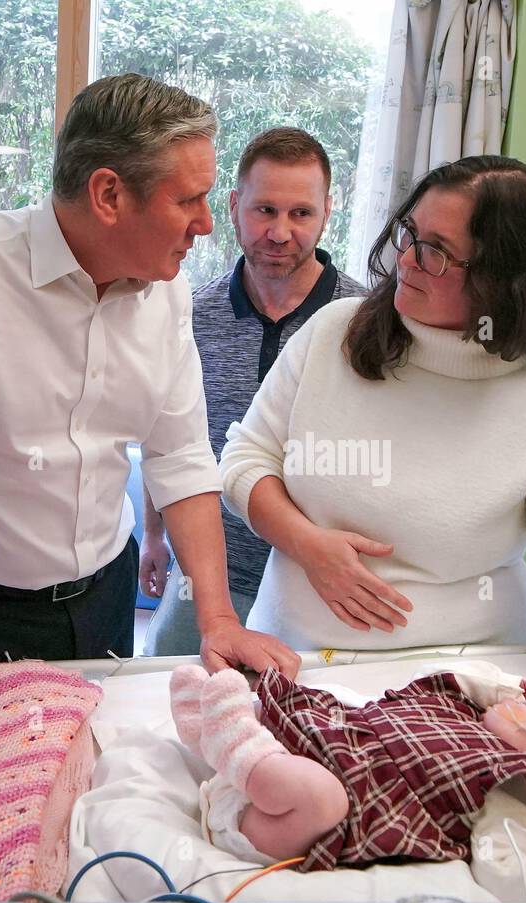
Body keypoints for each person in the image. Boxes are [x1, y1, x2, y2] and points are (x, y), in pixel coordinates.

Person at [219, 155, 526, 798]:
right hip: (302, 669)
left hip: (476, 694)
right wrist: (305, 543)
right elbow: (245, 461)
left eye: (435, 252)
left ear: (504, 283)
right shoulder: (333, 335)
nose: (405, 261)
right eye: (409, 236)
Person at [0, 73, 299, 695]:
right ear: (108, 194)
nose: (206, 225)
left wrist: (217, 617)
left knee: (96, 776)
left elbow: (182, 458)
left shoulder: (166, 291)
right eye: (188, 200)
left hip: (104, 597)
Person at [141, 127, 365, 657]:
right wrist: (153, 536)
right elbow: (165, 439)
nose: (280, 232)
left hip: (317, 586)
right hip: (207, 578)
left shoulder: (367, 324)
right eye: (265, 210)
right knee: (158, 706)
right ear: (236, 206)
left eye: (301, 214)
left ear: (327, 212)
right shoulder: (190, 314)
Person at [170, 660, 526, 901]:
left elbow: (508, 874)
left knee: (322, 798)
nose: (520, 692)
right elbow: (454, 676)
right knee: (332, 701)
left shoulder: (510, 796)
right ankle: (236, 731)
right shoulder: (467, 715)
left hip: (275, 825)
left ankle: (234, 747)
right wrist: (503, 690)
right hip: (318, 750)